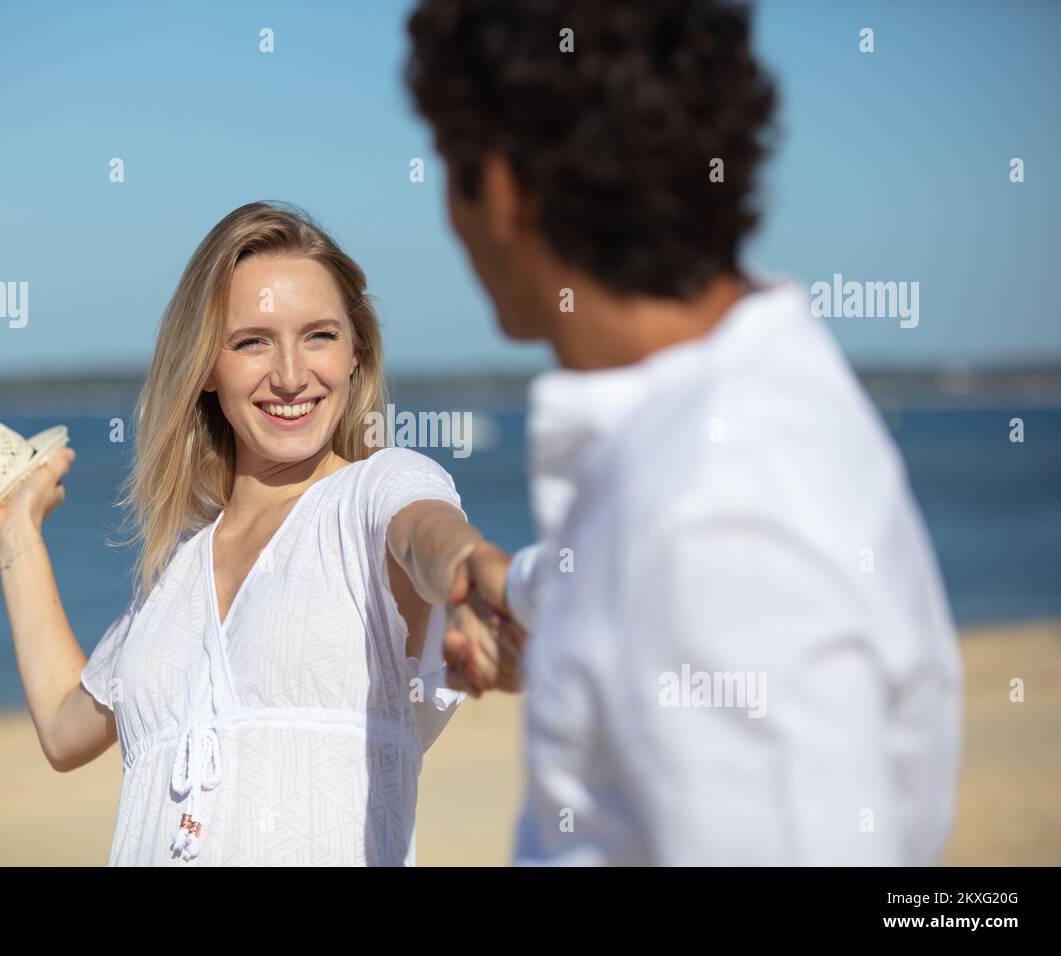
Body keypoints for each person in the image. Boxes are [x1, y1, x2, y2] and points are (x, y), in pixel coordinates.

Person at [409, 0, 964, 864]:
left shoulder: (712, 518)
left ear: (504, 187)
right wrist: (520, 602)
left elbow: (692, 570)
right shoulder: (745, 404)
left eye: (447, 169)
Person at [0, 200, 515, 865]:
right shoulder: (176, 572)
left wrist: (474, 572)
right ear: (206, 366)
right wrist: (15, 532)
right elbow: (66, 729)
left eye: (319, 335)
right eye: (252, 341)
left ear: (356, 355)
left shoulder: (373, 493)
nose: (291, 374)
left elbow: (429, 533)